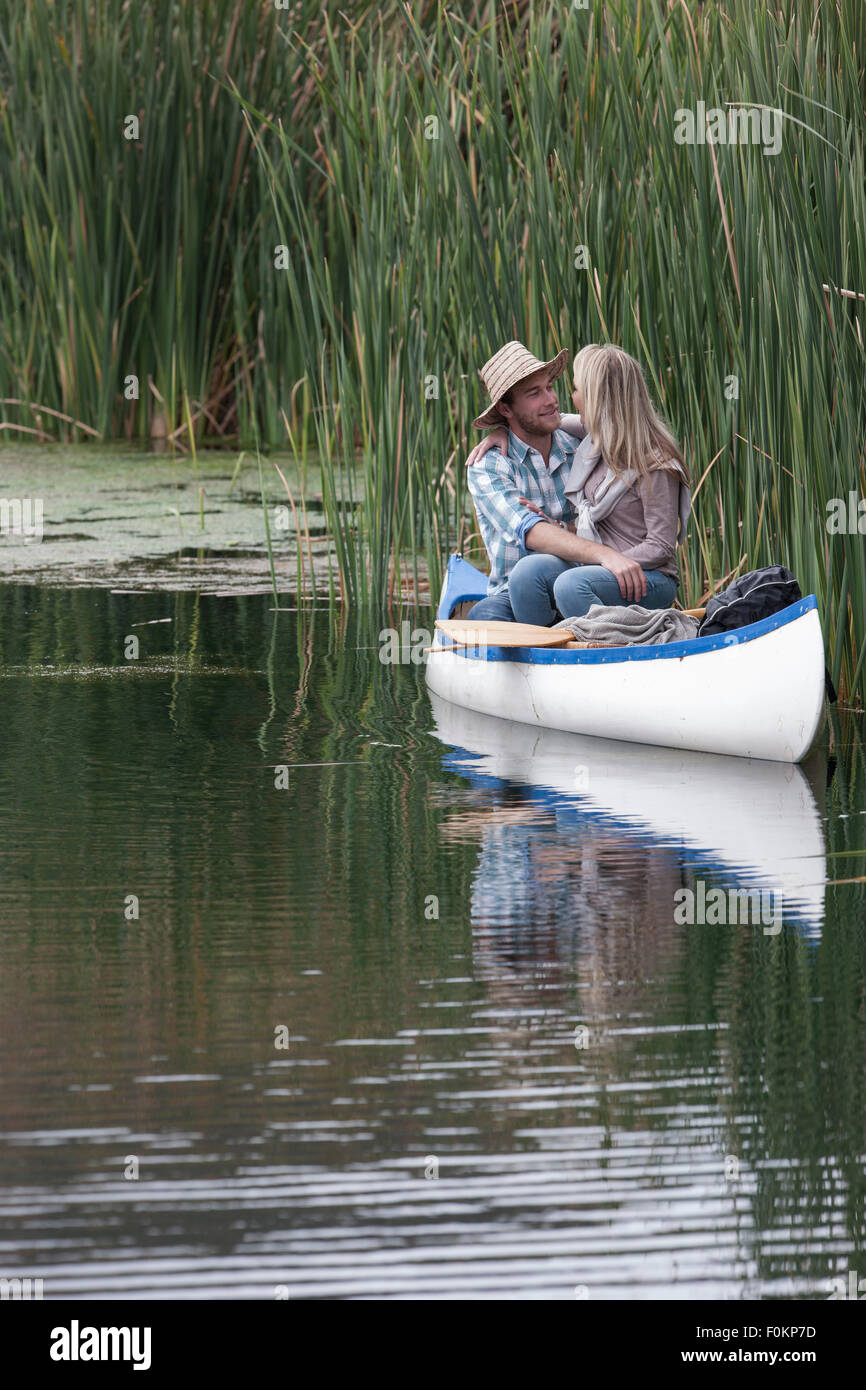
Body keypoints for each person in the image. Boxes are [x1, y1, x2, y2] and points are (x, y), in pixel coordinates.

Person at [466, 341, 690, 624]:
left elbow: (612, 419)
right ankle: (546, 653)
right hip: (527, 587)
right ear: (506, 409)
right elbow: (531, 532)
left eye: (550, 387)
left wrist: (603, 558)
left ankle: (591, 646)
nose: (552, 400)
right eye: (535, 393)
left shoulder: (584, 443)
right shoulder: (490, 463)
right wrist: (502, 431)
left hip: (591, 574)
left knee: (569, 585)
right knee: (486, 618)